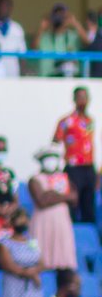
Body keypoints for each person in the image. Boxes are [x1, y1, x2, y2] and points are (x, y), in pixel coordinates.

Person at [30, 146, 79, 275]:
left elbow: (74, 198)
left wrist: (53, 195)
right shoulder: (35, 179)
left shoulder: (64, 178)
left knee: (63, 259)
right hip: (43, 223)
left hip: (62, 223)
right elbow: (42, 201)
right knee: (42, 257)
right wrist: (64, 197)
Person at [52, 86, 97, 222]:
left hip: (88, 167)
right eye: (79, 98)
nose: (82, 101)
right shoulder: (66, 121)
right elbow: (55, 142)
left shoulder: (90, 121)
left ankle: (89, 238)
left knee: (89, 204)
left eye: (85, 97)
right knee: (72, 203)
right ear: (74, 100)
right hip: (73, 168)